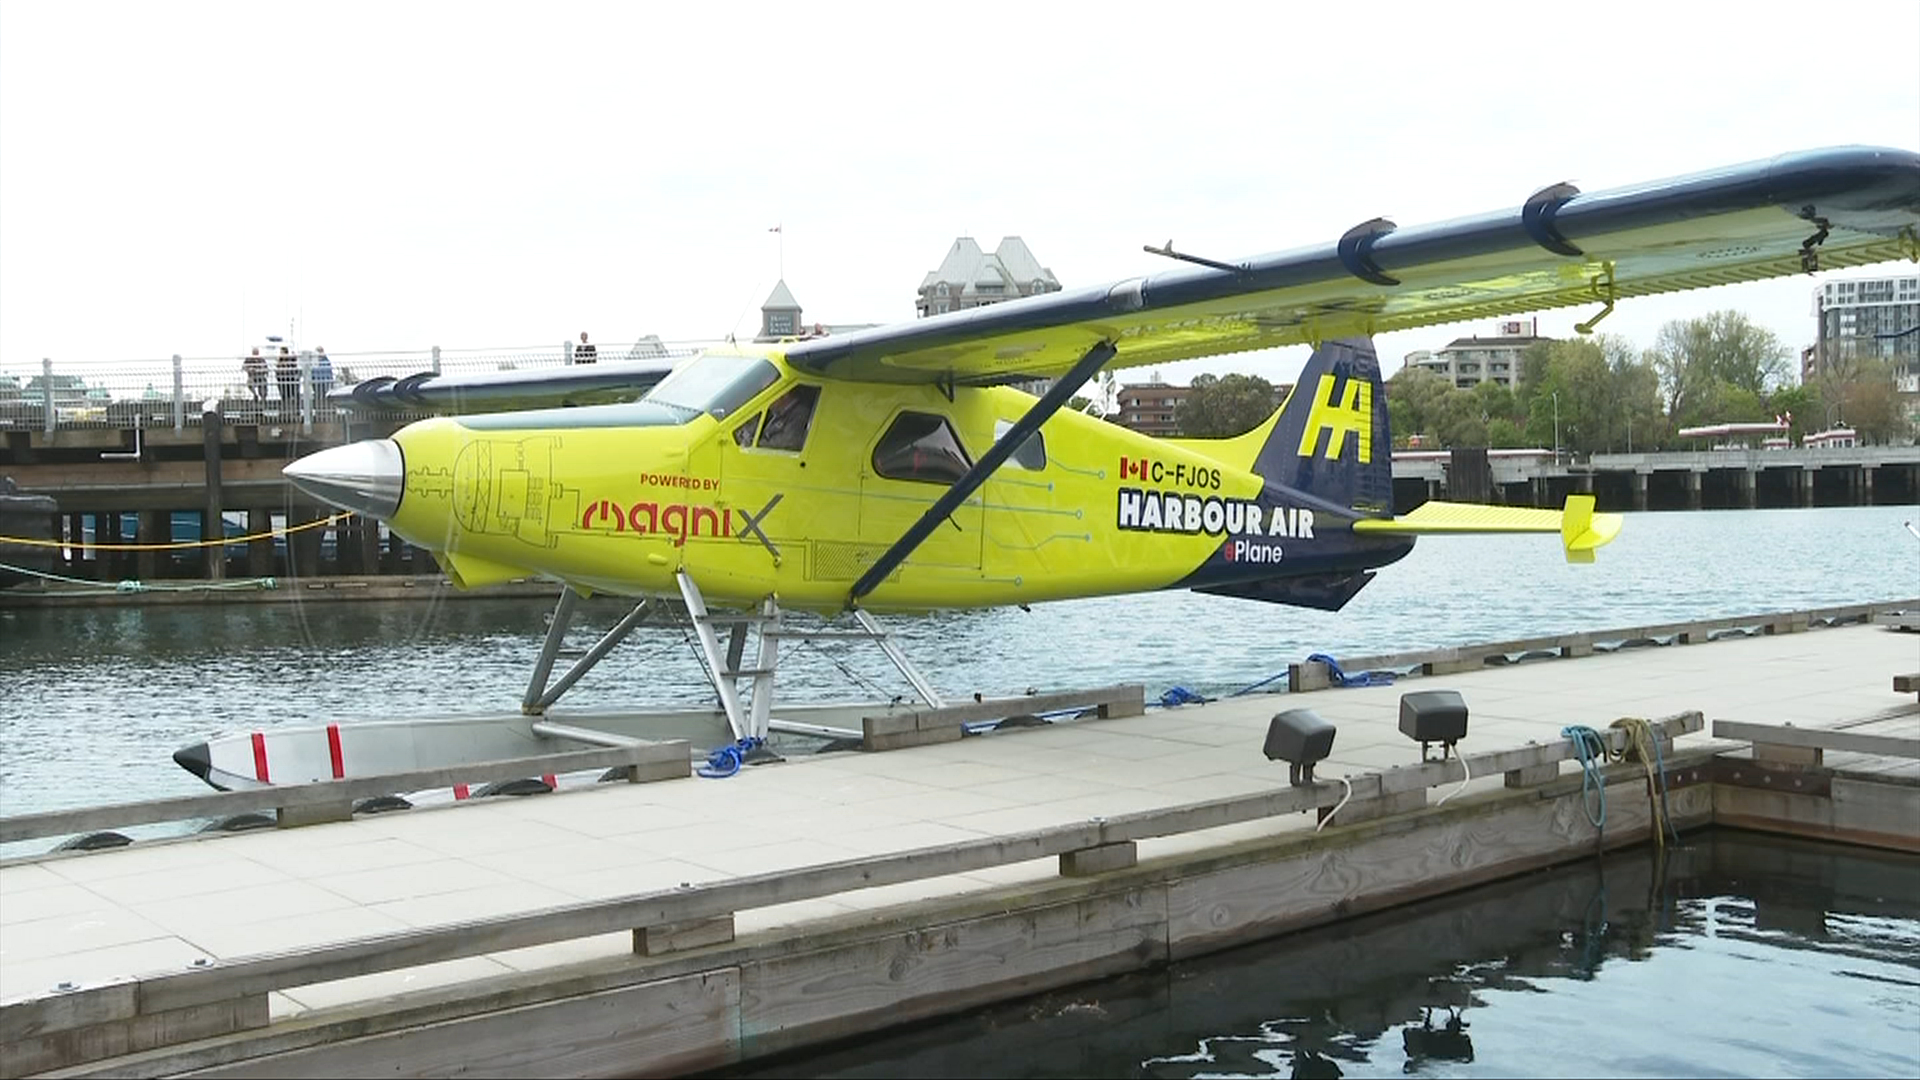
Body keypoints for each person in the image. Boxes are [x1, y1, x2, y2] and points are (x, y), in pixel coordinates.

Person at [275, 346, 299, 411]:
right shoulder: (279, 360)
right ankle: (285, 409)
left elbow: (295, 363)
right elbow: (277, 367)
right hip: (281, 379)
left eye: (282, 352)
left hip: (290, 379)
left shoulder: (290, 359)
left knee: (291, 394)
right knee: (283, 395)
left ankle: (292, 409)